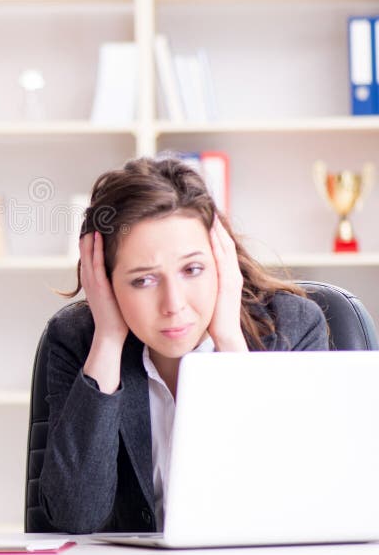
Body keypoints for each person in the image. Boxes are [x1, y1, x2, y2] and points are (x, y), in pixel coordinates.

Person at [38, 156, 329, 534]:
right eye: (143, 280)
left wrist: (229, 344)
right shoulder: (78, 339)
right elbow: (75, 516)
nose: (173, 304)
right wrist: (108, 340)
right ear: (105, 283)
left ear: (221, 262)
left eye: (192, 270)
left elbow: (293, 504)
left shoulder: (293, 327)